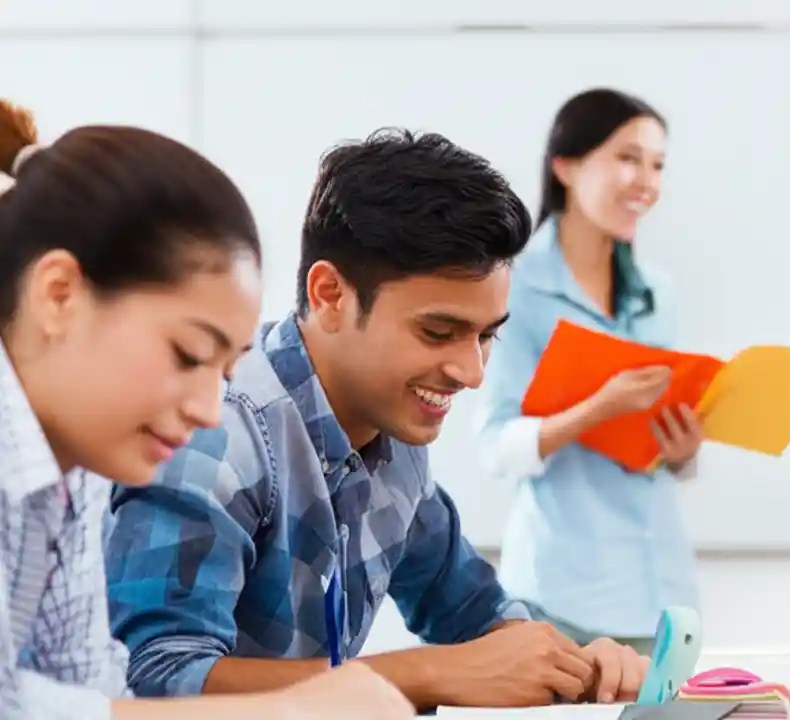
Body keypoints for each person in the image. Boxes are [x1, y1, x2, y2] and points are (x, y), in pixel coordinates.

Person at [104, 127, 648, 710]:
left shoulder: (393, 428)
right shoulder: (215, 437)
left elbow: (468, 607)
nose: (471, 372)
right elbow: (156, 682)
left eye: (487, 336)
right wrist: (420, 674)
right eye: (438, 332)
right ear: (330, 294)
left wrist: (575, 662)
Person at [0, 101, 413, 720]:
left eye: (226, 371)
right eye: (189, 355)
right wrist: (287, 708)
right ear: (59, 295)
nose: (209, 412)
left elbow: (88, 687)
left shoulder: (72, 473)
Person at [474, 88, 702, 652]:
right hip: (561, 594)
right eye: (627, 158)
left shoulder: (657, 291)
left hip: (659, 591)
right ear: (566, 166)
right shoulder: (516, 285)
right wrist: (596, 410)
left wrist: (682, 451)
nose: (646, 181)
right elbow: (496, 446)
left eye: (657, 165)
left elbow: (659, 443)